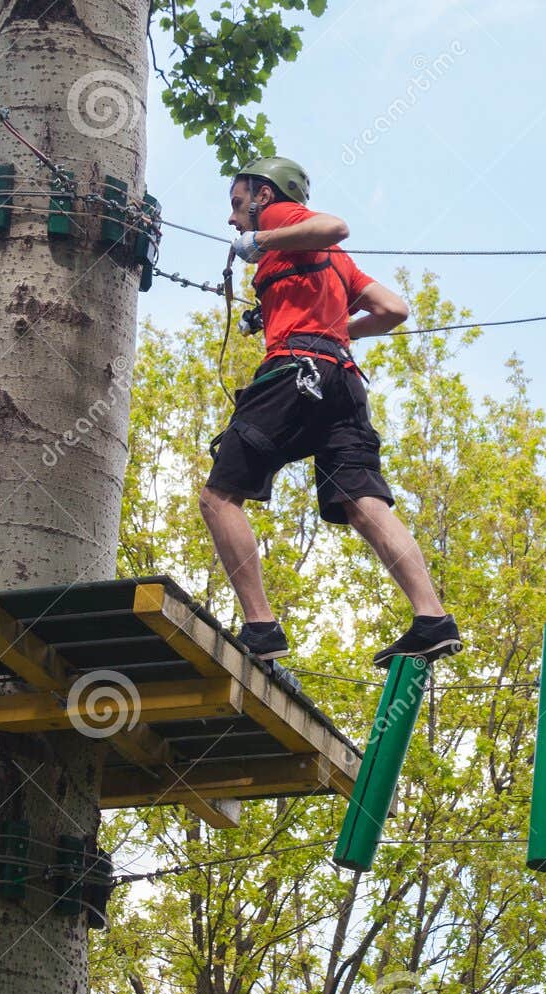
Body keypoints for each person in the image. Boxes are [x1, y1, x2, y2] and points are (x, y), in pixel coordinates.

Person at [200, 156, 462, 670]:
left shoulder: (281, 220)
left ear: (264, 196)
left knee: (219, 498)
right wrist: (333, 331)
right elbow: (393, 310)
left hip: (294, 376)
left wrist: (262, 239)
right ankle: (432, 618)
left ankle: (261, 627)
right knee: (363, 504)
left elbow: (335, 225)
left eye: (237, 204)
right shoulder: (337, 263)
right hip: (343, 382)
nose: (232, 219)